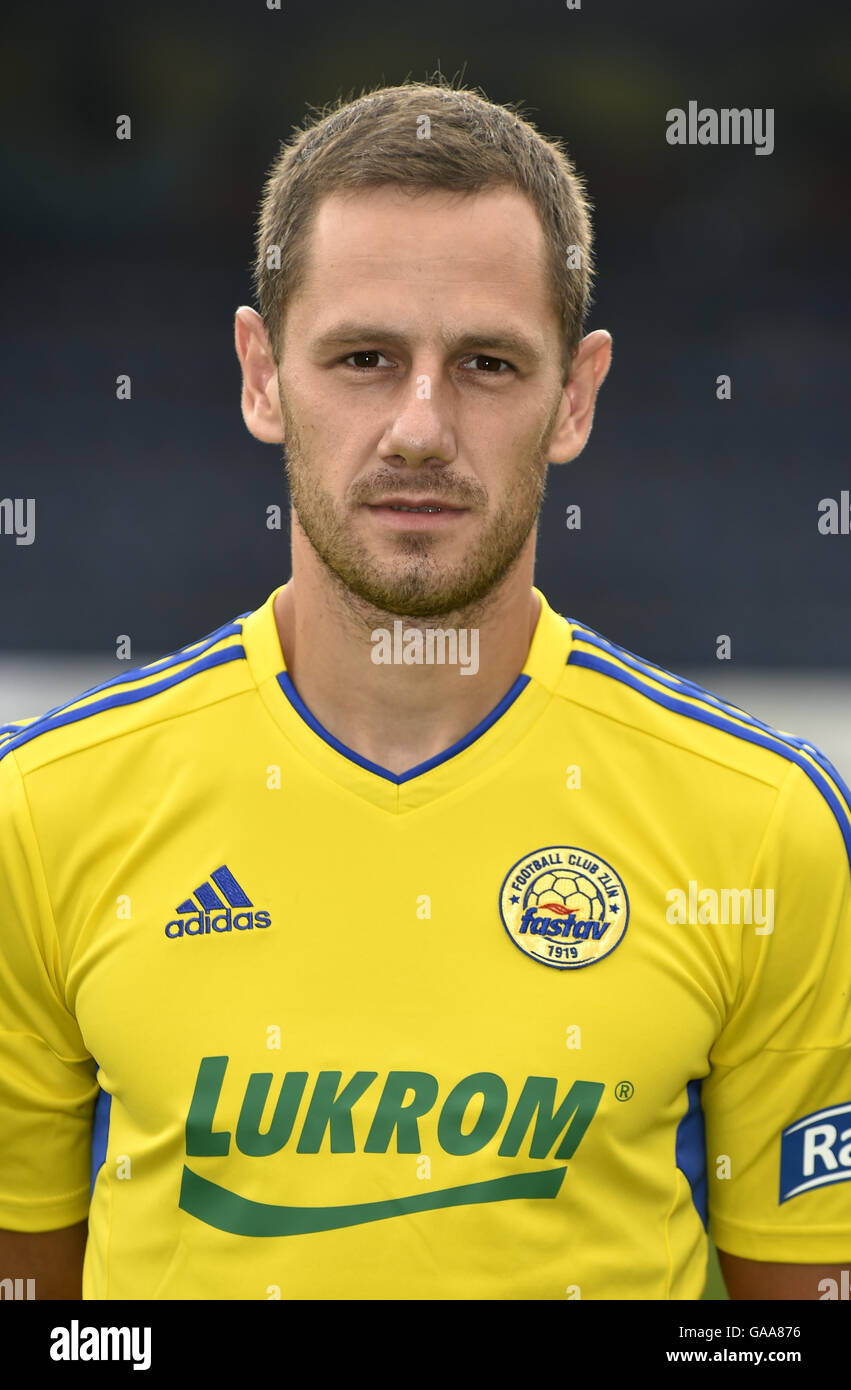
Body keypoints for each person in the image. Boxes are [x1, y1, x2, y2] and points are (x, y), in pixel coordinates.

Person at [0, 79, 848, 1301]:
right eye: (362, 357)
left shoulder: (765, 828)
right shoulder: (46, 812)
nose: (417, 427)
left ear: (575, 396)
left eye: (488, 364)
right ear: (259, 374)